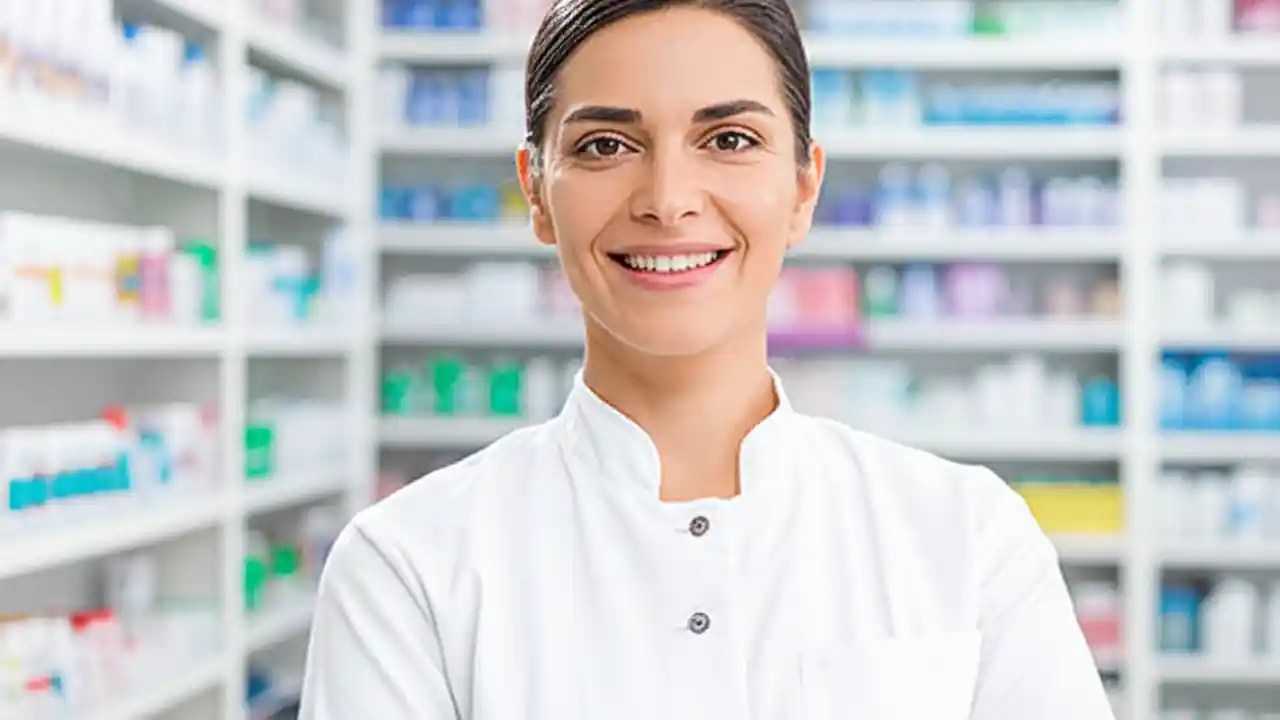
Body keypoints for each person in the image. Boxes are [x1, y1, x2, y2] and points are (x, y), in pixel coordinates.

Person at [299, 1, 1116, 718]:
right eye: (606, 145)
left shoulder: (966, 537)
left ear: (803, 188)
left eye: (729, 139)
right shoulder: (409, 567)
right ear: (537, 191)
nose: (668, 199)